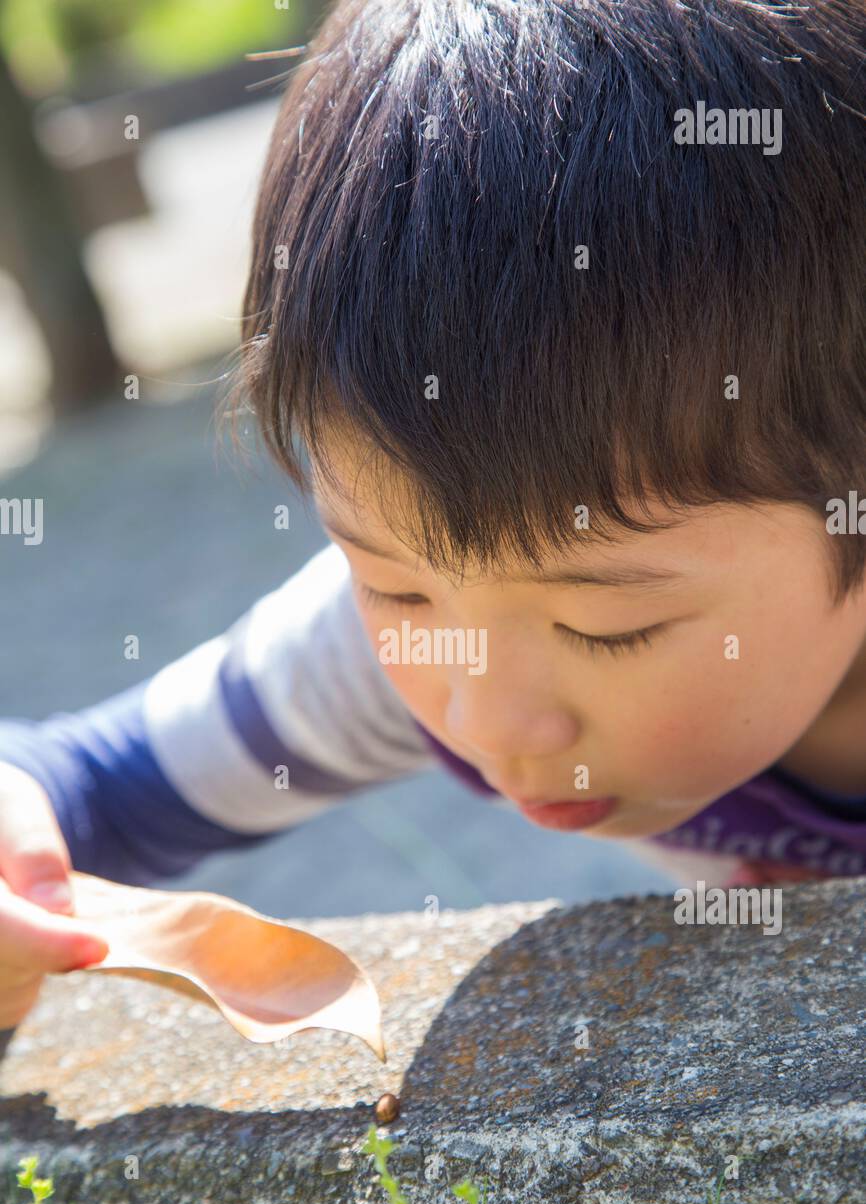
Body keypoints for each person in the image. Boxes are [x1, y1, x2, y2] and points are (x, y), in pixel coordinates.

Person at [1, 0, 864, 1032]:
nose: (485, 720)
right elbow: (93, 784)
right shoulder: (444, 636)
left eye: (608, 628)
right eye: (389, 582)